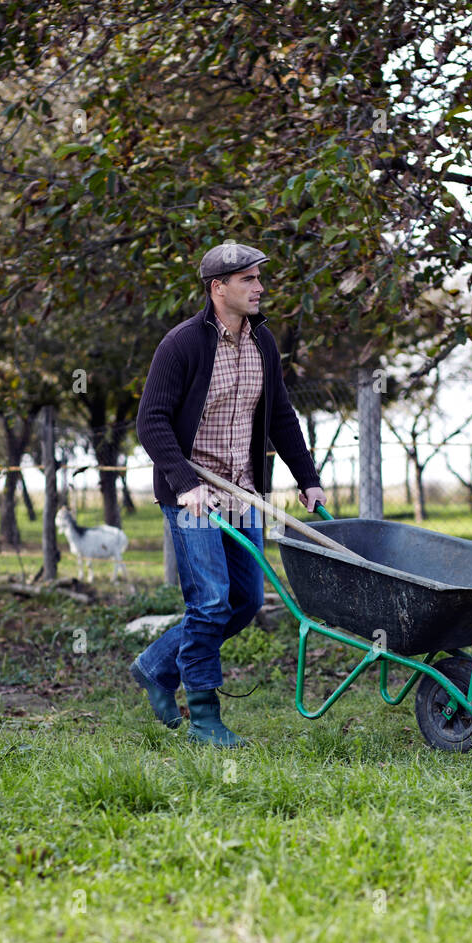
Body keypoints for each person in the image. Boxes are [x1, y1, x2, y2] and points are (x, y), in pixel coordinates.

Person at [131, 240, 327, 746]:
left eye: (260, 278)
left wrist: (307, 477)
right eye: (248, 280)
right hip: (196, 496)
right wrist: (186, 484)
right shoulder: (182, 344)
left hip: (242, 493)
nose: (260, 288)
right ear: (218, 288)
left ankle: (156, 665)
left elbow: (280, 416)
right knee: (212, 600)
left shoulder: (263, 344)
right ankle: (204, 717)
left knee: (243, 602)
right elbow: (151, 422)